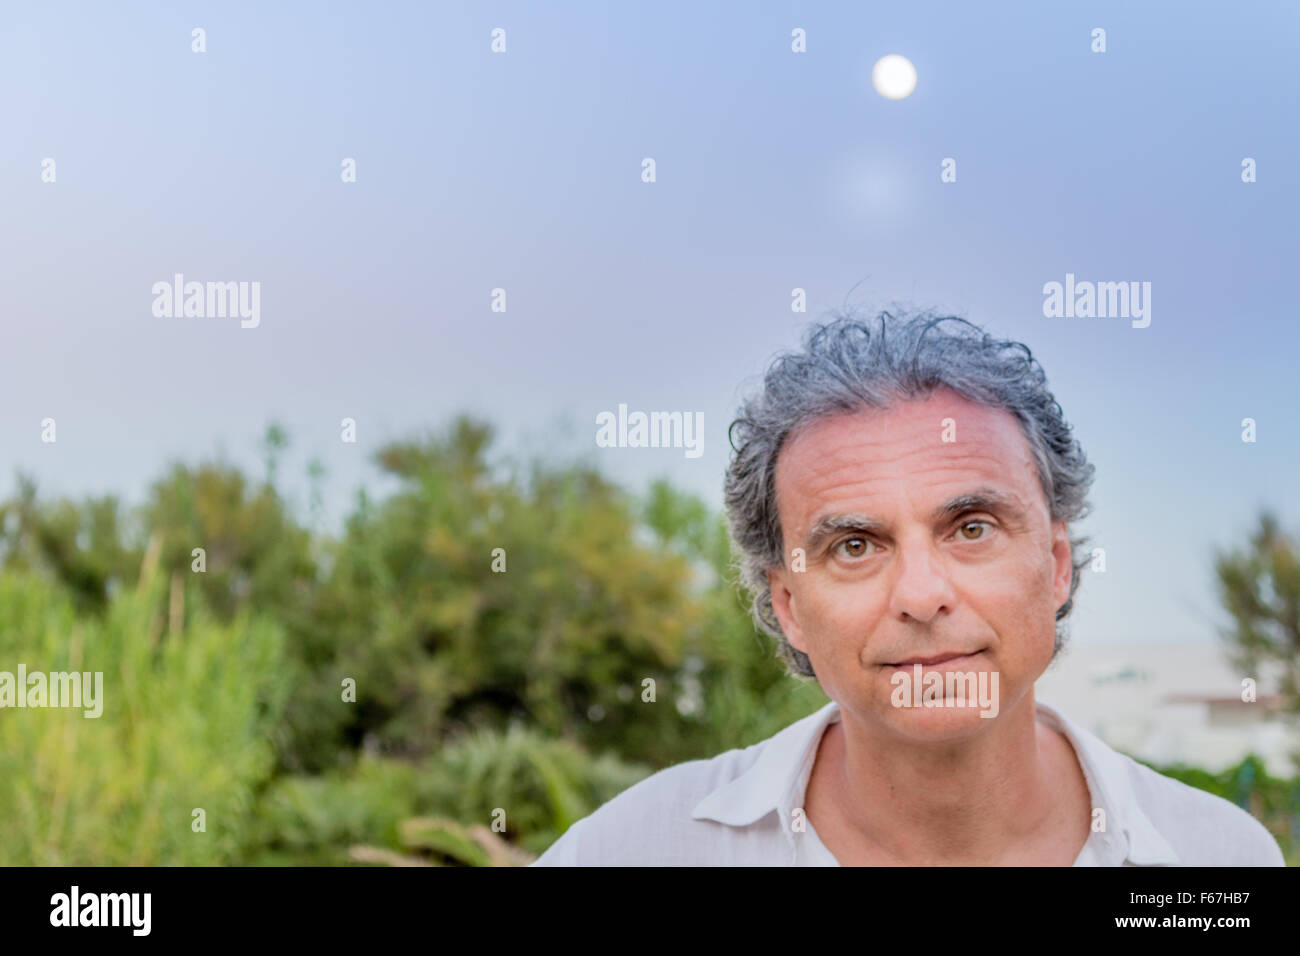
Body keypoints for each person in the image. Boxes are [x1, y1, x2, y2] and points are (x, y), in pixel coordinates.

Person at [532, 309, 1285, 866]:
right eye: (855, 545)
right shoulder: (640, 852)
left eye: (972, 528)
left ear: (1056, 564)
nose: (922, 595)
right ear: (788, 606)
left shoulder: (1211, 863)